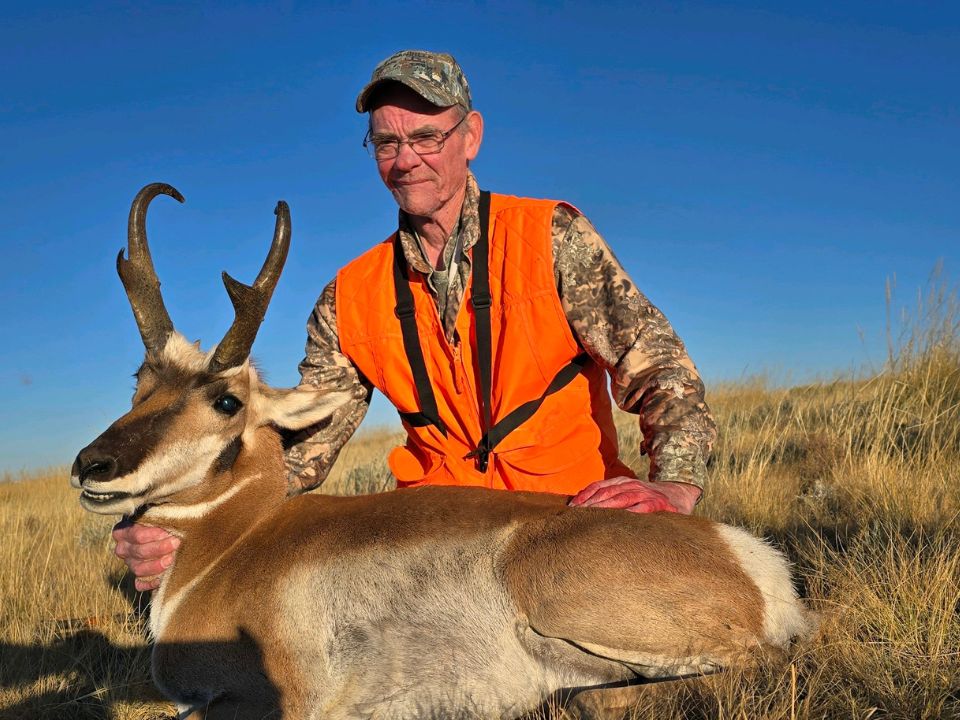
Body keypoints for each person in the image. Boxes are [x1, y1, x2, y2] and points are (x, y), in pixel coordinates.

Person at [114, 50, 717, 592]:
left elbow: (658, 365)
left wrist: (675, 483)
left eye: (426, 137)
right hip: (437, 549)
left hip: (572, 521)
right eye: (386, 143)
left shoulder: (550, 238)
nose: (406, 161)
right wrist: (177, 520)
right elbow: (300, 451)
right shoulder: (349, 296)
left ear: (470, 135)